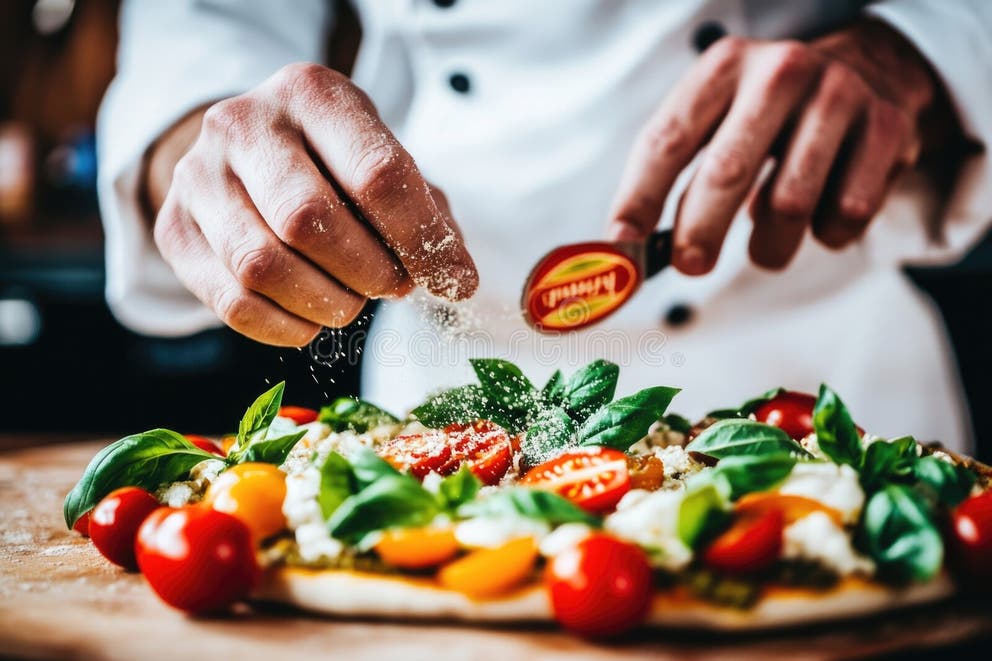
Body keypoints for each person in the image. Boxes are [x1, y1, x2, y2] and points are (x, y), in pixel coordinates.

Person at [98, 0, 992, 451]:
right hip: (446, 406)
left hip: (828, 384)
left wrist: (909, 54)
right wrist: (221, 153)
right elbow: (201, 28)